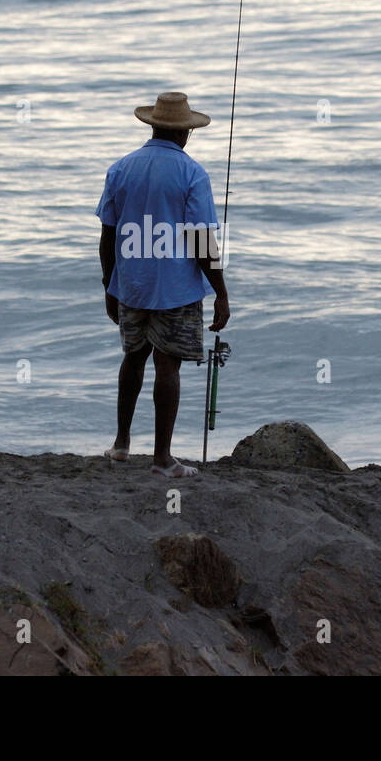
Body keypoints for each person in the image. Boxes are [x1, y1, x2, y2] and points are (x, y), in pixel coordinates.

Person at [95, 92, 231, 477]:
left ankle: (121, 444)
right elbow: (202, 240)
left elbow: (108, 236)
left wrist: (110, 283)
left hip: (131, 282)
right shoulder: (192, 173)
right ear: (186, 133)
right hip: (176, 287)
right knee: (167, 364)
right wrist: (220, 291)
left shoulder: (121, 168)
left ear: (152, 125)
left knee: (133, 357)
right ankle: (162, 459)